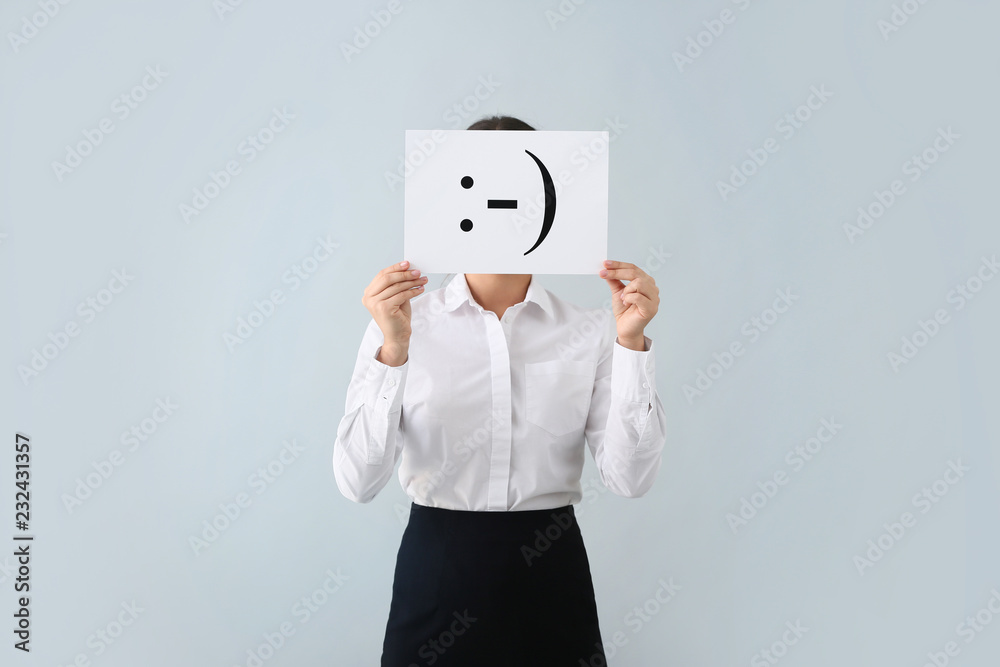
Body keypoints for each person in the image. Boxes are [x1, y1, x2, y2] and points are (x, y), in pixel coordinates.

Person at [332, 115, 667, 666]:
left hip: (550, 574)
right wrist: (393, 353)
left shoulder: (590, 332)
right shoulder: (402, 324)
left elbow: (630, 480)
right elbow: (356, 481)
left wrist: (631, 345)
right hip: (436, 573)